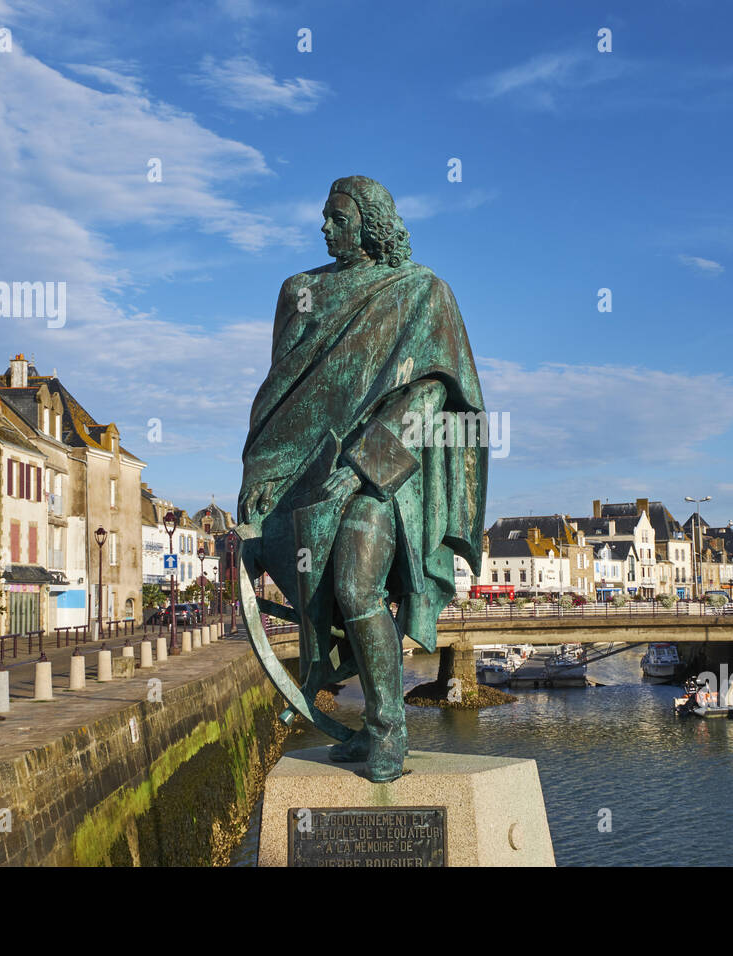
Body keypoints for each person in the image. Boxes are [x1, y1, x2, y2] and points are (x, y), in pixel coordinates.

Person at [239, 176, 487, 782]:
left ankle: (388, 732)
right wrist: (263, 473)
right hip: (311, 469)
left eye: (338, 219)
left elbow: (437, 391)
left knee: (355, 582)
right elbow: (285, 396)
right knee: (313, 579)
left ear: (371, 225)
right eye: (323, 217)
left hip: (386, 471)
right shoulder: (300, 291)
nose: (325, 228)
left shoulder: (425, 292)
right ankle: (369, 718)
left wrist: (368, 462)